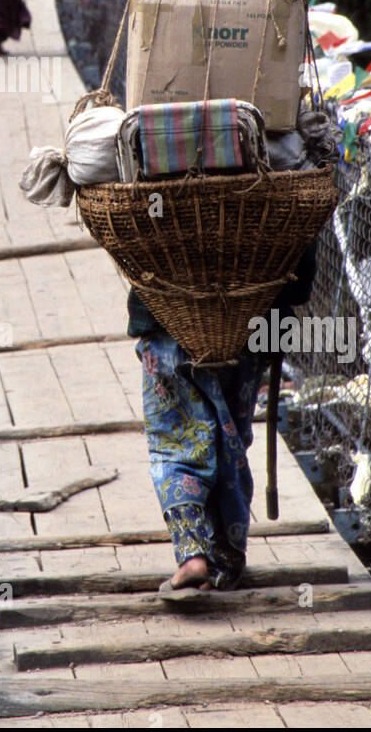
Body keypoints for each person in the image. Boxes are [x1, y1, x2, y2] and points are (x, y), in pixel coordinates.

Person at [129, 243, 316, 595]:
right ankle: (226, 562)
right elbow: (300, 282)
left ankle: (192, 555)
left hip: (167, 325)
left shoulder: (149, 193)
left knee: (175, 443)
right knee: (231, 442)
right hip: (252, 331)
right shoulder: (285, 193)